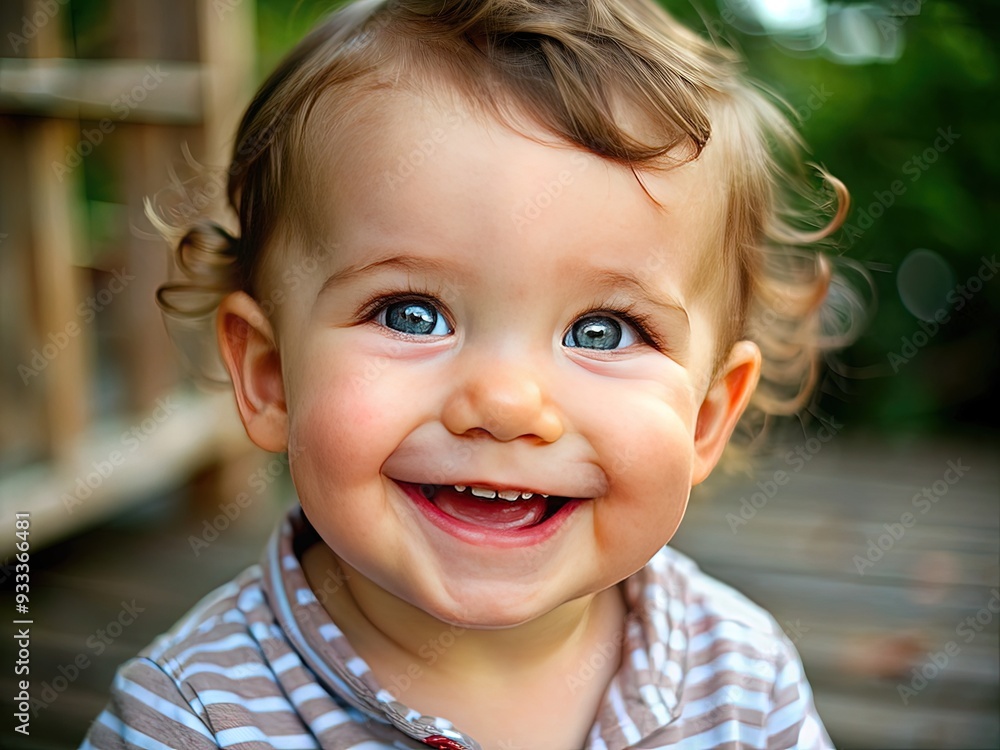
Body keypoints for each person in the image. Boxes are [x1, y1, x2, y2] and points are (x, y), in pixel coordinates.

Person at [82, 0, 857, 747]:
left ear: (705, 417)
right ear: (268, 376)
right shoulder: (192, 717)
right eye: (411, 314)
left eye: (603, 330)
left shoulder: (744, 685)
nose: (507, 403)